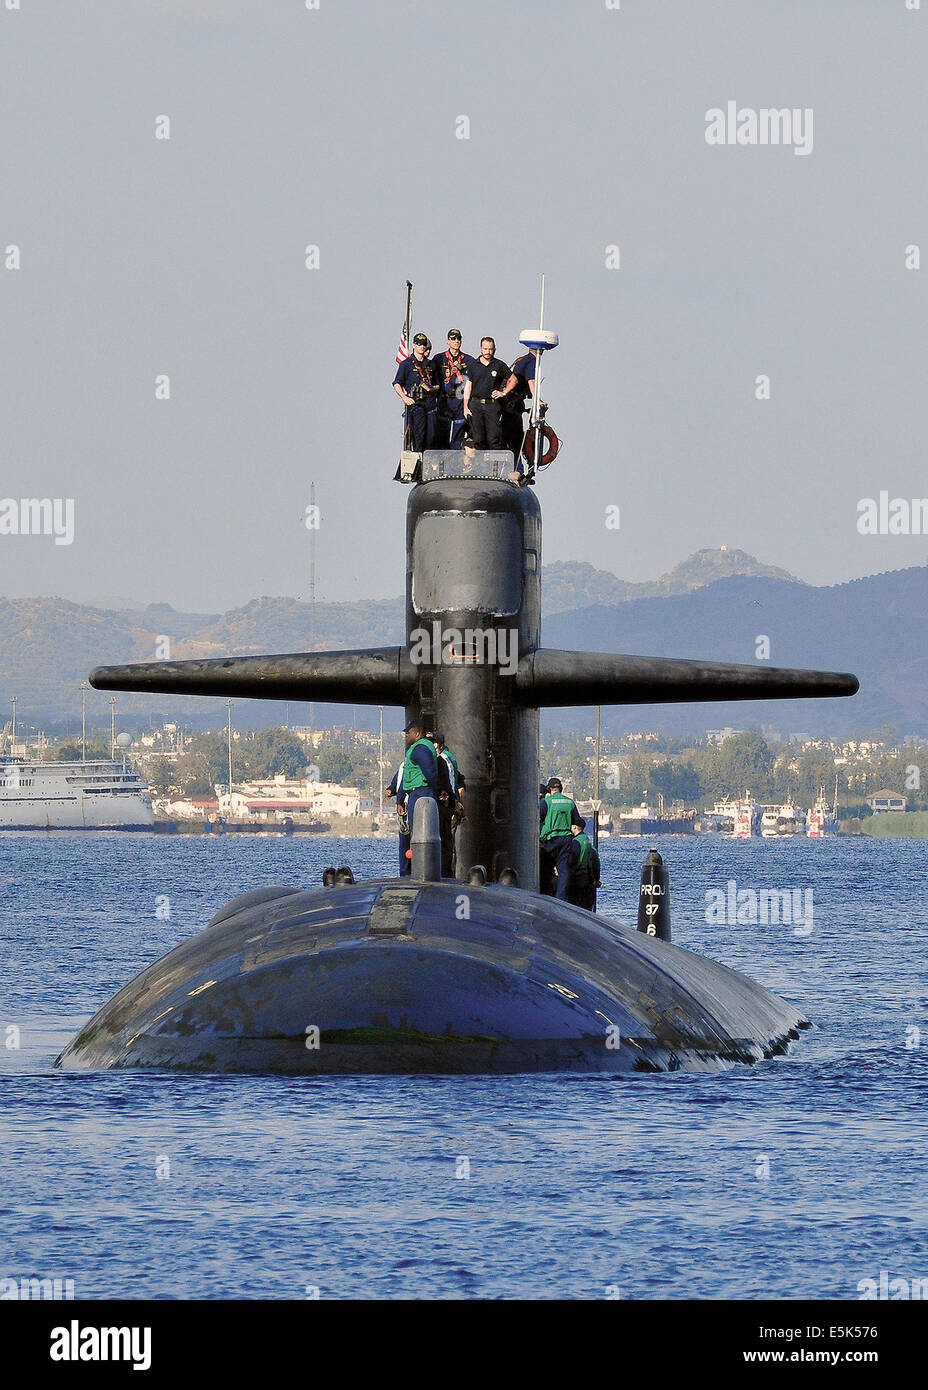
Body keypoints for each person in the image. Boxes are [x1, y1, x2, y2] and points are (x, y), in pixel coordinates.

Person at [398, 719, 439, 873]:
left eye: (408, 733)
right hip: (417, 792)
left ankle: (421, 871)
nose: (406, 736)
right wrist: (400, 799)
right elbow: (406, 777)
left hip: (421, 794)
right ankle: (417, 870)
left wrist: (436, 790)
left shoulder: (420, 750)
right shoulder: (418, 748)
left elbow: (430, 773)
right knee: (416, 835)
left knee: (420, 835)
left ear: (417, 733)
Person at [393, 333, 439, 452]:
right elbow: (397, 383)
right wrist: (404, 398)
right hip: (416, 405)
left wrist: (431, 388)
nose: (421, 347)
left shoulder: (431, 364)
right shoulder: (406, 364)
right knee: (419, 437)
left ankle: (427, 462)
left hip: (430, 405)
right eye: (419, 344)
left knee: (432, 437)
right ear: (414, 345)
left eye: (423, 344)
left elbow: (438, 384)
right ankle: (419, 462)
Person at [462, 337, 511, 448]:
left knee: (493, 438)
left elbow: (513, 379)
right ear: (480, 349)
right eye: (485, 349)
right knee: (477, 438)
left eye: (490, 349)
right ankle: (479, 464)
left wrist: (504, 392)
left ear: (494, 349)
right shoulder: (473, 365)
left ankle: (494, 464)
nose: (488, 352)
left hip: (492, 405)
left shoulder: (499, 365)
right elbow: (468, 387)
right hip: (476, 404)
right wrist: (465, 406)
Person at [431, 330, 474, 450]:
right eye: (453, 339)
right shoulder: (439, 358)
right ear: (448, 341)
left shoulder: (469, 360)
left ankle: (455, 464)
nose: (456, 341)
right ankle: (442, 465)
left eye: (458, 338)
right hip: (444, 402)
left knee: (458, 437)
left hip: (460, 401)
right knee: (441, 436)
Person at [431, 730, 466, 876]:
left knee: (445, 842)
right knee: (448, 843)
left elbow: (448, 784)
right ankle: (448, 873)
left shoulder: (441, 760)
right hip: (450, 806)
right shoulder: (450, 760)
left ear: (437, 745)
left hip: (445, 807)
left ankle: (445, 873)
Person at [539, 777, 580, 900]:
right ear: (560, 788)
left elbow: (538, 817)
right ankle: (561, 898)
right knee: (563, 870)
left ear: (550, 789)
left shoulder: (546, 802)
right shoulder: (570, 802)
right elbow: (577, 820)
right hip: (566, 839)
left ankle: (547, 894)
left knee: (546, 869)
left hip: (550, 840)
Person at [499, 348, 537, 478]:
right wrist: (538, 400)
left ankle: (514, 468)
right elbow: (532, 383)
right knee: (515, 439)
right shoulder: (532, 361)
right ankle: (517, 469)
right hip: (513, 405)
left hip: (507, 403)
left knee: (507, 437)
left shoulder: (521, 359)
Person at [566, 816, 601, 911]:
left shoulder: (576, 842)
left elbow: (572, 860)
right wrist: (596, 878)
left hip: (576, 878)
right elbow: (595, 861)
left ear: (574, 827)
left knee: (574, 907)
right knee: (586, 909)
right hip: (586, 878)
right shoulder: (587, 840)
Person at [385, 758, 409, 874]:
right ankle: (405, 873)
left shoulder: (415, 763)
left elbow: (406, 784)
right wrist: (391, 789)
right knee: (405, 844)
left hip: (411, 806)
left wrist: (399, 801)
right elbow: (397, 782)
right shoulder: (403, 765)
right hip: (404, 811)